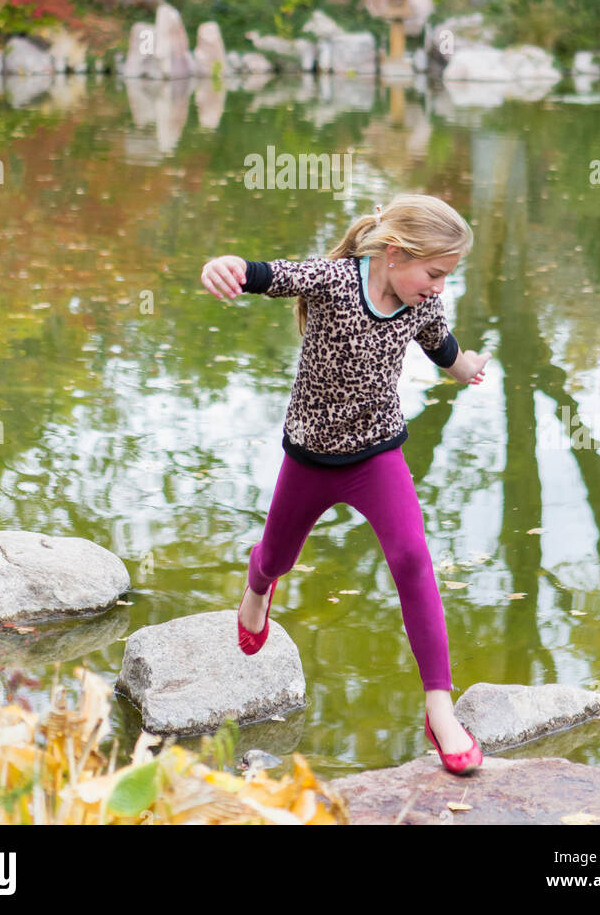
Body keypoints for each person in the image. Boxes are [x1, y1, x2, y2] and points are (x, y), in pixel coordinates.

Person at [199, 191, 491, 774]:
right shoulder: (332, 281)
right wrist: (224, 267)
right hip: (308, 455)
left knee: (412, 558)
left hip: (376, 455)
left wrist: (469, 366)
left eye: (446, 276)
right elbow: (264, 274)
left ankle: (440, 709)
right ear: (394, 252)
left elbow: (443, 348)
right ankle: (257, 588)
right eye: (434, 273)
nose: (438, 286)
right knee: (277, 556)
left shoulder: (421, 304)